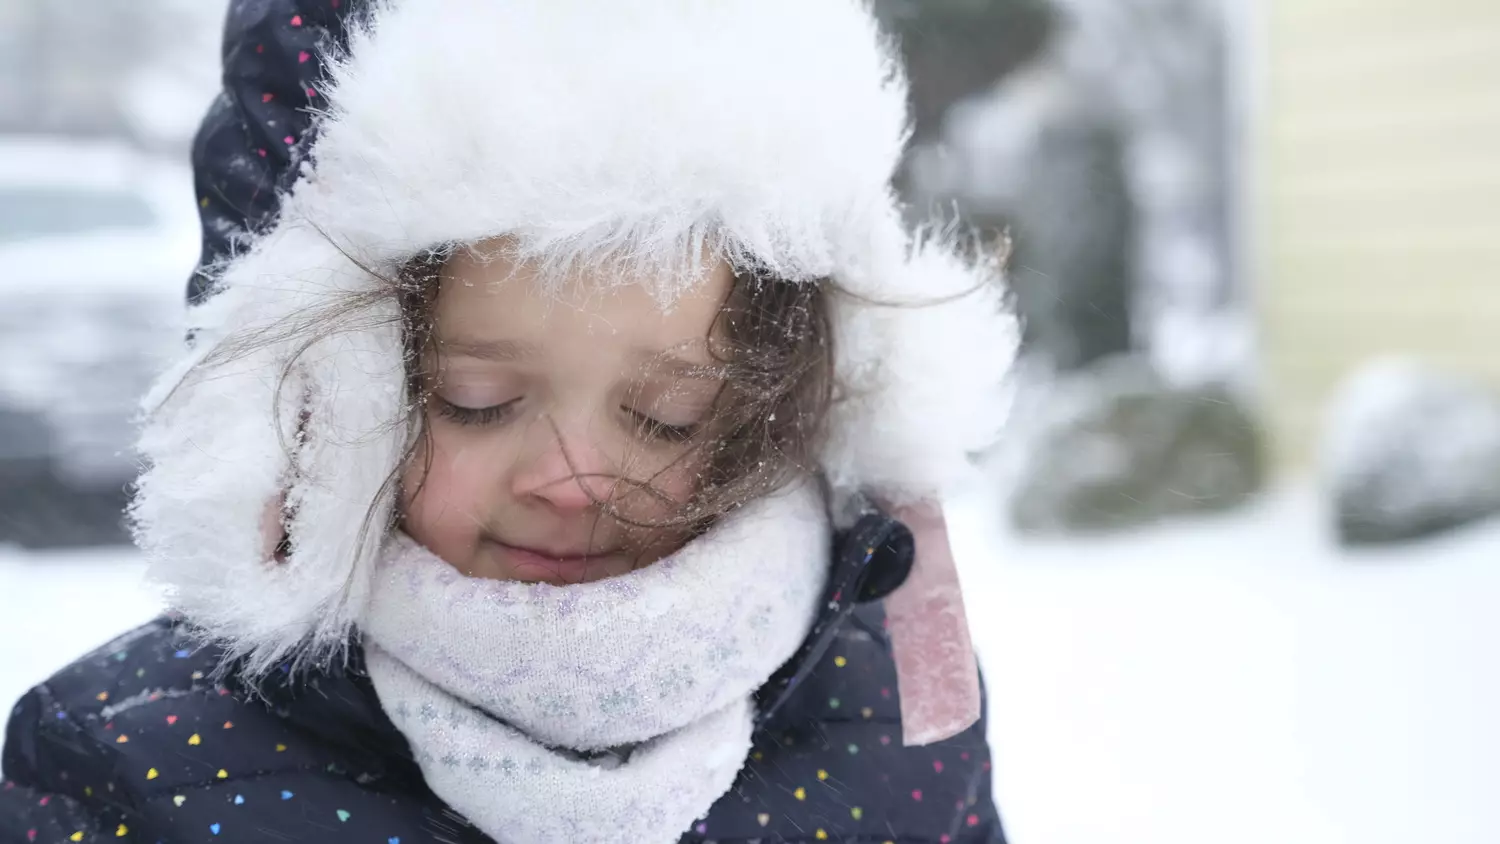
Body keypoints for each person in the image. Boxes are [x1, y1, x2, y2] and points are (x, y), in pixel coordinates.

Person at [1, 0, 1018, 841]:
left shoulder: (895, 710)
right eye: (475, 404)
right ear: (327, 405)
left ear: (778, 407)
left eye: (667, 416)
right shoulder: (129, 767)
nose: (573, 479)